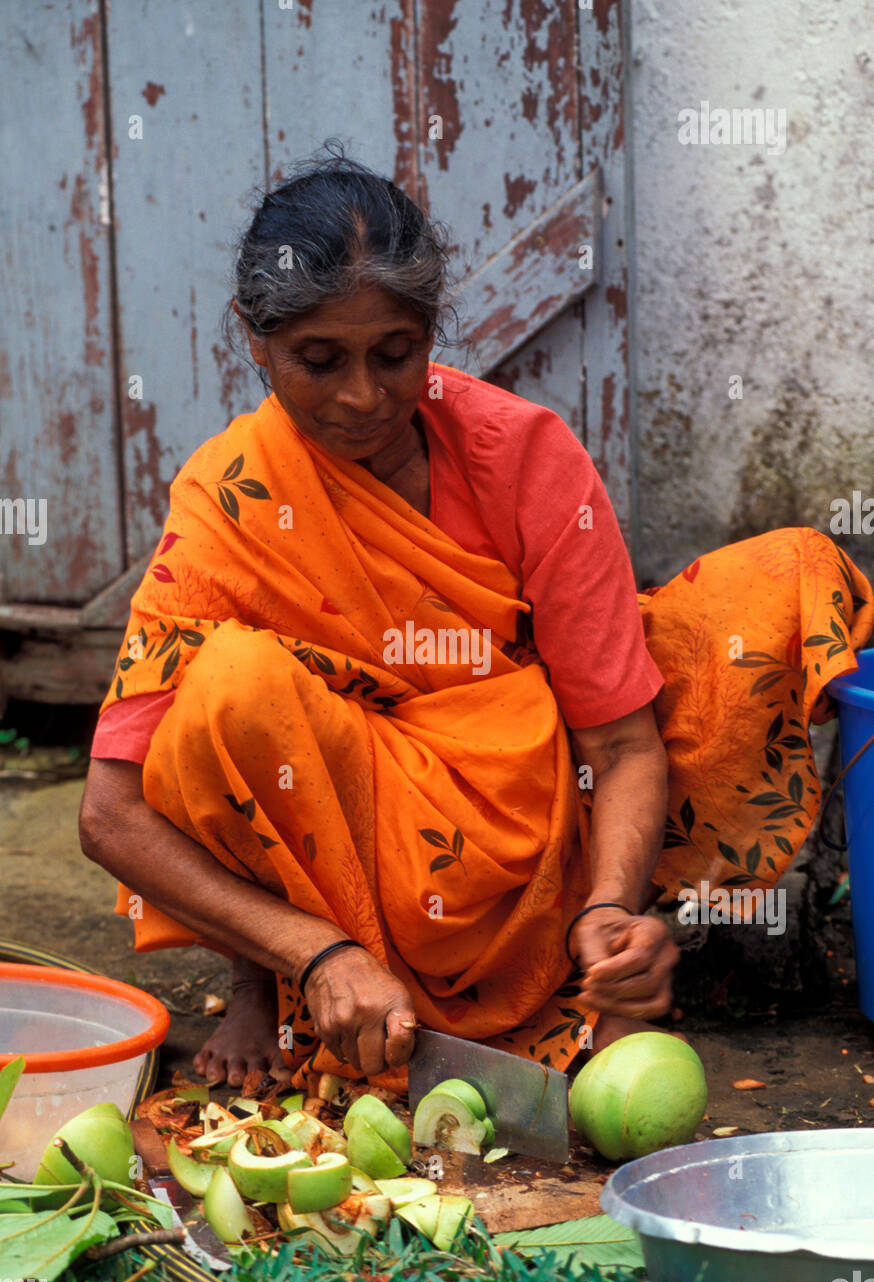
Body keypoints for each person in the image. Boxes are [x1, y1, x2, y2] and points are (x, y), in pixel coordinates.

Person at [79, 149, 874, 1095]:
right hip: (344, 848)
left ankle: (577, 967)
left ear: (431, 333)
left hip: (540, 832)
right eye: (318, 361)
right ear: (255, 339)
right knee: (230, 690)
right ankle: (274, 982)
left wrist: (611, 908)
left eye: (396, 354)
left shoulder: (524, 456)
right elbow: (111, 815)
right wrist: (312, 949)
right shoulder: (232, 498)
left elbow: (621, 743)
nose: (362, 397)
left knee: (757, 598)